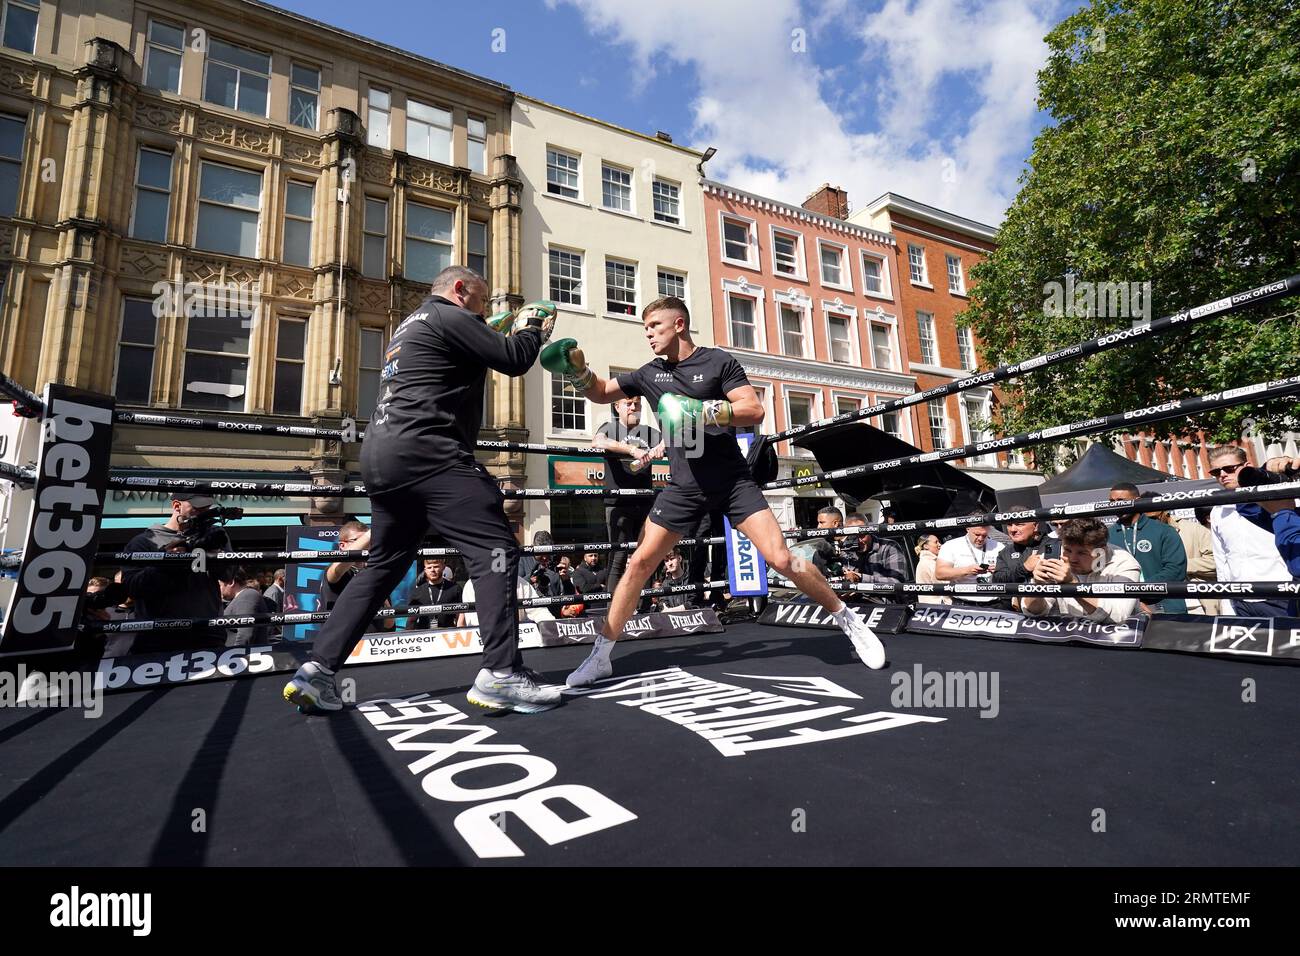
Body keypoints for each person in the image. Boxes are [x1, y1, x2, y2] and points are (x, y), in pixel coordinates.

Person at [544, 294, 887, 687]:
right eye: (645, 329)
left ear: (679, 325)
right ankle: (601, 655)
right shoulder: (649, 373)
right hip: (683, 487)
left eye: (654, 327)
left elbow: (753, 410)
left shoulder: (717, 362)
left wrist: (702, 410)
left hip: (731, 482)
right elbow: (603, 391)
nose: (648, 335)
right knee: (639, 563)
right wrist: (578, 371)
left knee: (781, 559)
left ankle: (849, 620)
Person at [282, 266, 563, 714]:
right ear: (460, 290)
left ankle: (317, 672)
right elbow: (512, 359)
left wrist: (488, 328)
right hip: (429, 451)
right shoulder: (449, 316)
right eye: (482, 300)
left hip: (382, 457)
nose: (485, 309)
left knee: (384, 565)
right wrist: (532, 328)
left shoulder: (411, 325)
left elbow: (462, 358)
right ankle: (503, 674)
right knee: (497, 547)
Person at [85, 493, 231, 649]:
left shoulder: (213, 535)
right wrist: (166, 563)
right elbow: (133, 588)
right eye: (198, 507)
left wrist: (216, 554)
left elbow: (228, 576)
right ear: (176, 506)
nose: (205, 511)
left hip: (206, 632)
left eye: (207, 507)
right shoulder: (143, 542)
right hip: (160, 635)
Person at [1206, 446, 1292, 616]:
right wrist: (1227, 604)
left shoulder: (1276, 499)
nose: (1223, 474)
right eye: (1216, 472)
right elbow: (1221, 559)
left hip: (1281, 595)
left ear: (1248, 466)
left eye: (1229, 469)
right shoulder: (1217, 511)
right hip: (1240, 600)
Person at [594, 396, 661, 602]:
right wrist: (632, 449)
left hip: (644, 503)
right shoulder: (610, 427)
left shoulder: (650, 433)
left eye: (637, 404)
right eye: (628, 404)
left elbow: (676, 439)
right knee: (618, 558)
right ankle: (613, 610)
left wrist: (662, 446)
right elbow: (597, 442)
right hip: (618, 503)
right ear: (617, 407)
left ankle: (644, 606)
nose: (633, 408)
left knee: (645, 556)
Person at [1021, 517, 1143, 624]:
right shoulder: (1054, 557)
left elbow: (1118, 617)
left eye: (1082, 553)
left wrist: (1072, 585)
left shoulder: (1123, 563)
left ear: (1102, 552)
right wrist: (1037, 586)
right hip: (1070, 642)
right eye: (1068, 550)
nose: (1072, 559)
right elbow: (1033, 612)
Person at [1106, 483, 1188, 614]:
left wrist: (1138, 591)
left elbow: (1175, 570)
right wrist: (1131, 597)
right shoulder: (1105, 536)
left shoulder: (1164, 531)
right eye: (1111, 501)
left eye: (1121, 501)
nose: (1116, 505)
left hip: (1166, 607)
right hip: (1122, 609)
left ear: (1137, 501)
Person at [935, 523, 1004, 606]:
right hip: (964, 604)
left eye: (984, 535)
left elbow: (1009, 574)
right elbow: (940, 573)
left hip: (995, 603)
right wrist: (967, 571)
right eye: (977, 534)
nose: (980, 538)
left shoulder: (999, 546)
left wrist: (999, 571)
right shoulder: (951, 546)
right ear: (968, 528)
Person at [990, 518, 1051, 611]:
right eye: (1009, 525)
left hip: (1052, 613)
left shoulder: (1055, 544)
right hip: (1016, 615)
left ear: (1035, 526)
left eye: (1019, 524)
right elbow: (997, 581)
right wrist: (1024, 568)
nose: (1013, 529)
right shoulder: (1005, 552)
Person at [840, 514, 908, 589]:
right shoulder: (846, 551)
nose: (858, 541)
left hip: (883, 599)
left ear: (869, 531)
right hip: (852, 599)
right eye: (853, 536)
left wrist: (861, 578)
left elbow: (897, 583)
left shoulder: (889, 547)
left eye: (862, 535)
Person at [1177, 507, 1220, 615]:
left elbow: (1215, 562)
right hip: (1164, 601)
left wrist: (1177, 566)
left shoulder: (1193, 529)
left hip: (1201, 601)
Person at [219, 566, 277, 646]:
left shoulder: (247, 596)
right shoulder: (243, 597)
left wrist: (236, 655)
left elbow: (245, 634)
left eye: (220, 585)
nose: (219, 589)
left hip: (241, 656)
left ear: (231, 582)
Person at [404, 556, 462, 629]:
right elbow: (411, 620)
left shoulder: (455, 589)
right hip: (425, 637)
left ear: (443, 567)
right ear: (425, 570)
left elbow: (460, 617)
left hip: (448, 636)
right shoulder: (417, 592)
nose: (432, 570)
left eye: (436, 566)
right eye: (429, 567)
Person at [913, 534, 948, 605]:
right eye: (936, 542)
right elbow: (944, 583)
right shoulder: (928, 562)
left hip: (933, 605)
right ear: (926, 546)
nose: (940, 544)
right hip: (937, 606)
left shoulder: (929, 561)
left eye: (939, 542)